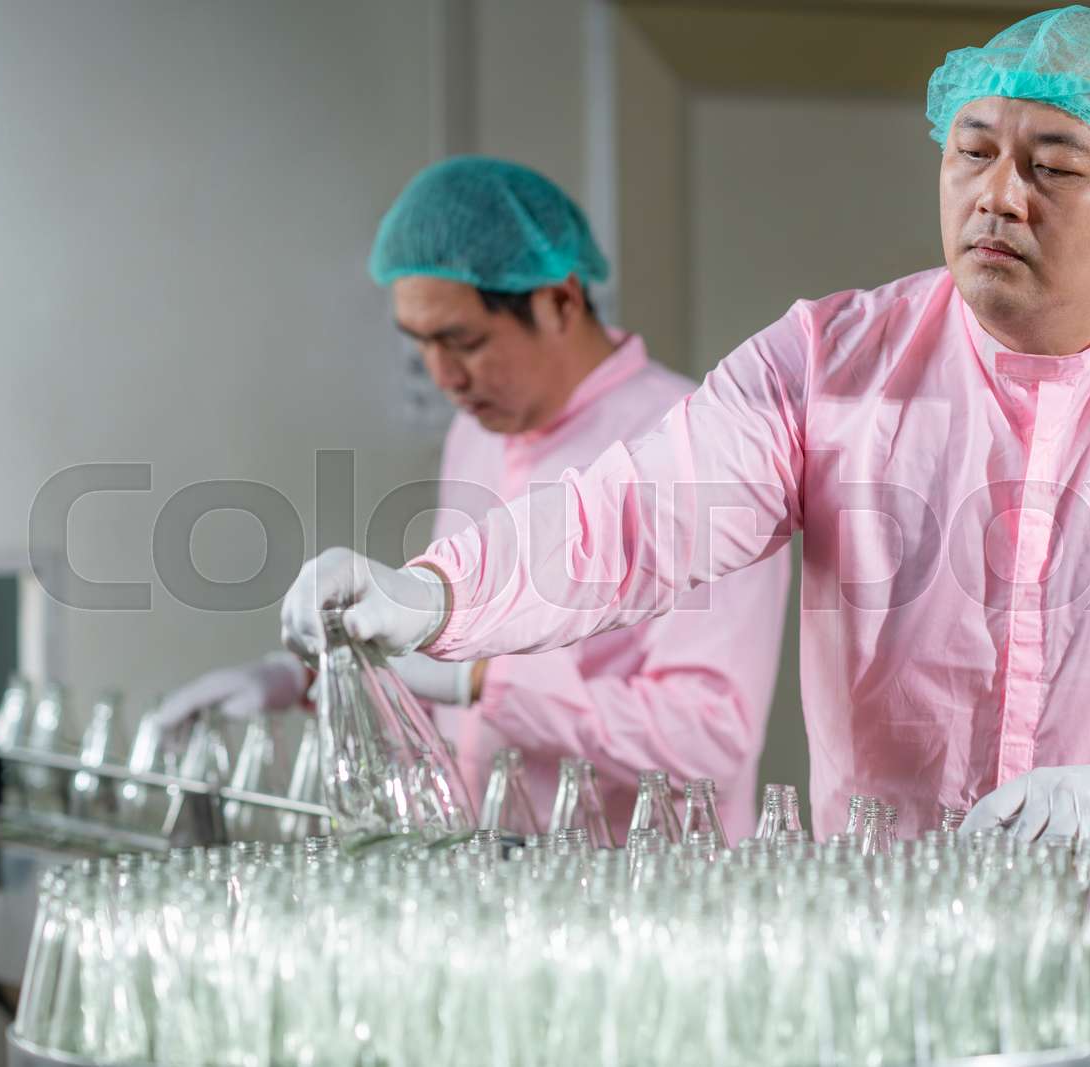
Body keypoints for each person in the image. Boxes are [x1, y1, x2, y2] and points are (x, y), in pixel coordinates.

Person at [279, 8, 1090, 1062]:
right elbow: (638, 509)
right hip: (889, 987)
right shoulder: (828, 361)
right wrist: (436, 591)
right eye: (971, 150)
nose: (998, 195)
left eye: (1055, 165)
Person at [158, 156, 790, 841]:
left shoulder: (694, 443)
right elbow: (437, 669)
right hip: (487, 870)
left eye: (464, 340)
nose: (444, 376)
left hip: (641, 889)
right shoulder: (477, 434)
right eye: (420, 344)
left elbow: (711, 736)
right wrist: (319, 678)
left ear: (560, 301)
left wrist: (488, 681)